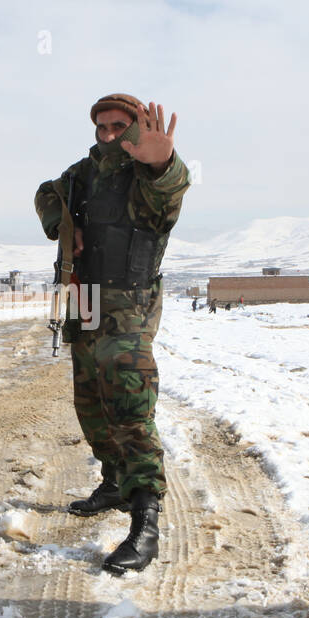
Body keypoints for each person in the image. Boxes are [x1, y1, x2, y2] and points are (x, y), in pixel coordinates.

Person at [34, 93, 189, 574]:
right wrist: (61, 222)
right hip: (84, 295)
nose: (108, 135)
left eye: (120, 127)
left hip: (127, 300)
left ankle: (145, 518)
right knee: (91, 401)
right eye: (101, 127)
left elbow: (172, 183)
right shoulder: (82, 173)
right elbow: (44, 192)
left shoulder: (149, 173)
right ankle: (112, 481)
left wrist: (162, 157)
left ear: (138, 129)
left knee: (129, 404)